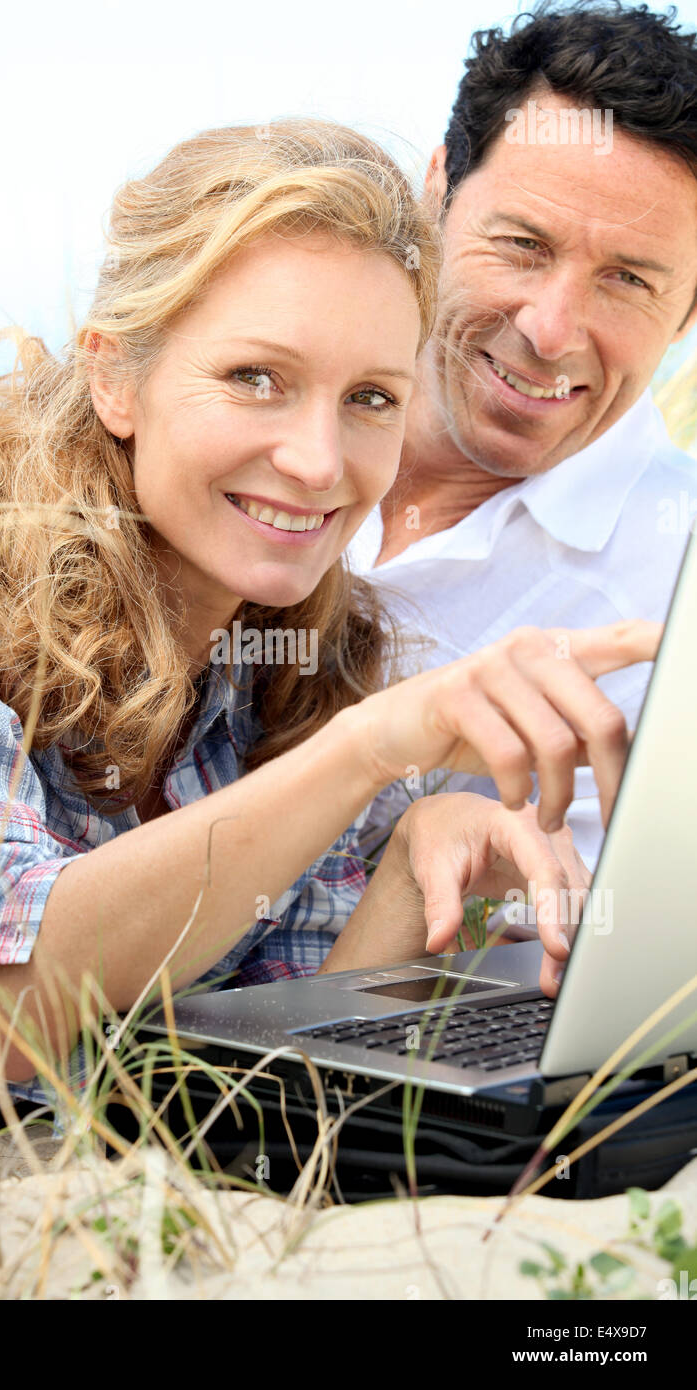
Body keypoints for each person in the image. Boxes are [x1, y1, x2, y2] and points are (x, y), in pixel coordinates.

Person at [0, 117, 658, 1114]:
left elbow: (251, 1098)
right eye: (253, 379)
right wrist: (362, 752)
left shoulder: (308, 653)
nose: (316, 461)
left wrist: (407, 862)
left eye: (367, 398)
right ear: (115, 376)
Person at [347, 0, 697, 882]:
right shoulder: (250, 424)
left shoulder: (676, 588)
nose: (550, 330)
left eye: (627, 280)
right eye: (522, 244)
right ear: (436, 195)